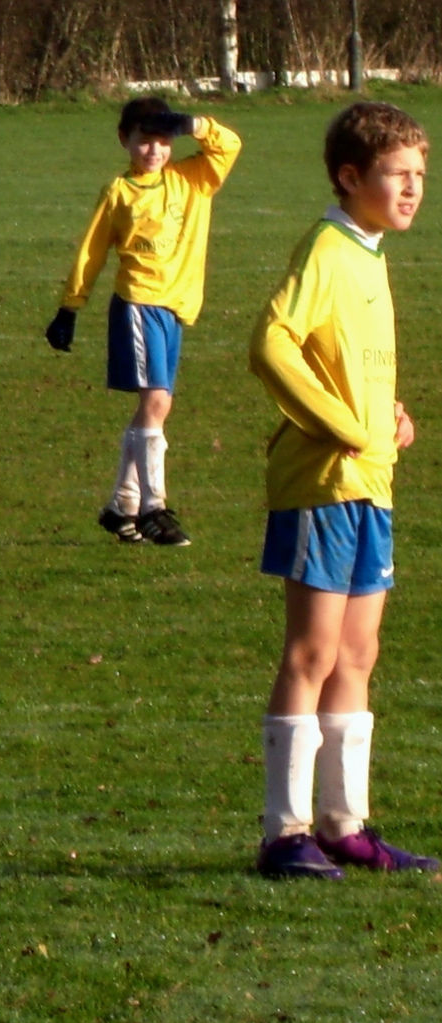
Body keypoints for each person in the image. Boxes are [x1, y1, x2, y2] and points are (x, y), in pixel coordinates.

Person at [250, 102, 431, 879]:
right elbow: (269, 343)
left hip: (371, 481)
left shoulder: (369, 251)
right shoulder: (326, 248)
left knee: (358, 651)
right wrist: (340, 424)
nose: (412, 189)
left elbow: (349, 362)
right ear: (349, 177)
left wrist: (387, 418)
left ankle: (340, 825)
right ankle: (283, 832)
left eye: (420, 176)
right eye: (397, 174)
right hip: (323, 483)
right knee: (313, 651)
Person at [45, 97, 241, 546]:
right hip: (139, 304)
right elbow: (93, 250)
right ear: (124, 140)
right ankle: (154, 508)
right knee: (155, 403)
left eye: (162, 140)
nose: (153, 150)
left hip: (175, 308)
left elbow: (229, 145)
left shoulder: (193, 180)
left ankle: (122, 505)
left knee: (156, 407)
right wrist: (70, 306)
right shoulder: (119, 193)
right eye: (143, 140)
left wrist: (195, 124)